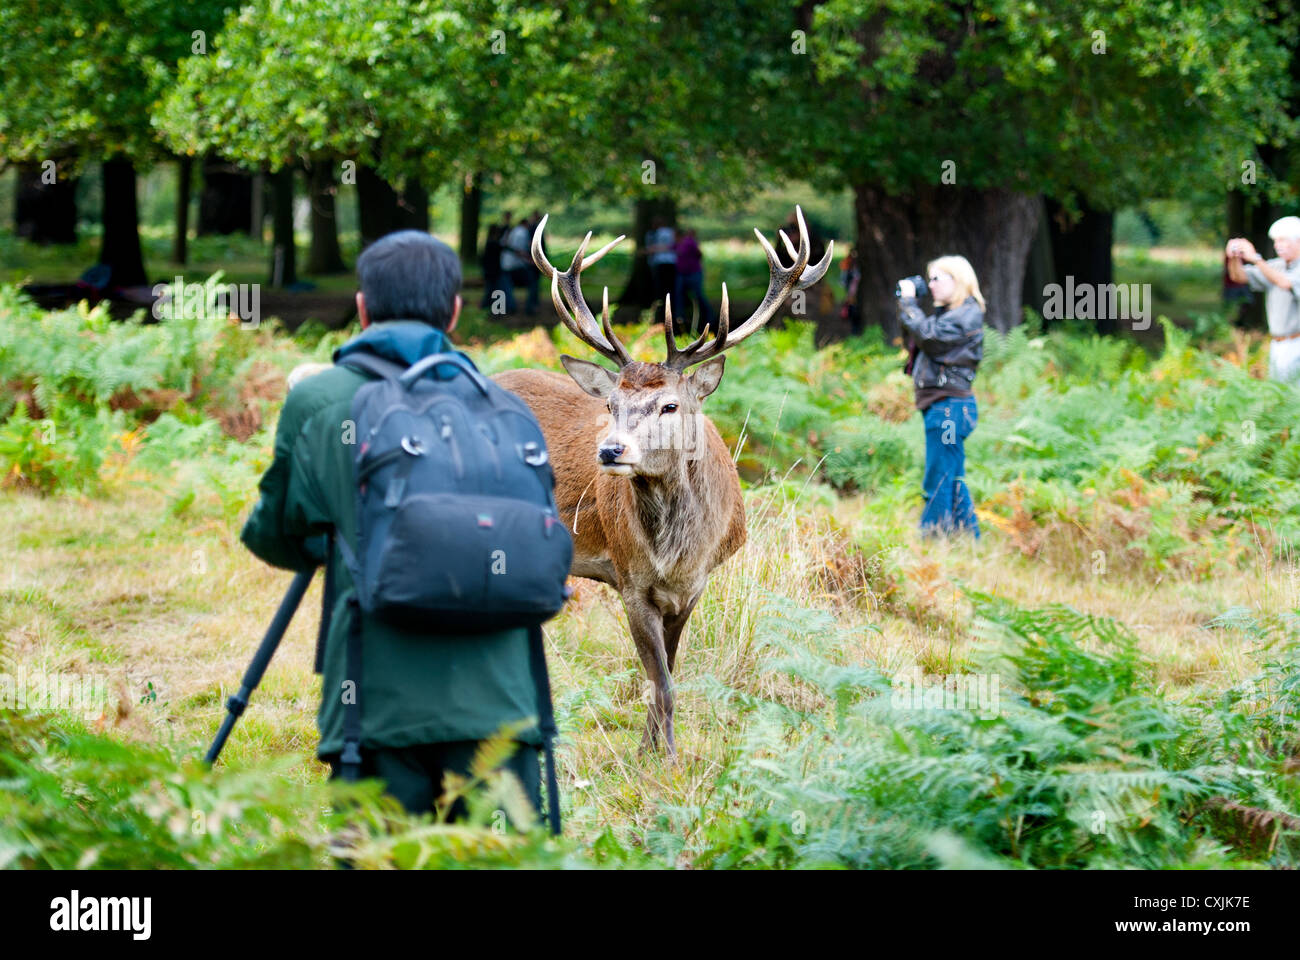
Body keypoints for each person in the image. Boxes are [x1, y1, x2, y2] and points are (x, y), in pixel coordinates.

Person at [241, 230, 545, 822]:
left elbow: (272, 533)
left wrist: (345, 538)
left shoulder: (322, 399)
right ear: (455, 311)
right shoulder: (506, 406)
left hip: (375, 708)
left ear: (361, 307)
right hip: (506, 710)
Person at [897, 255, 984, 539]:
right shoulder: (951, 314)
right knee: (952, 477)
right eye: (929, 279)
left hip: (949, 409)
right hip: (946, 406)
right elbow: (917, 335)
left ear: (958, 281)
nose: (930, 285)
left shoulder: (966, 315)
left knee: (939, 477)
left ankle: (933, 542)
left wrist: (910, 305)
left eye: (936, 278)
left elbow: (931, 339)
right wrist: (907, 308)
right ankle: (969, 541)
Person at [1226, 216, 1300, 383]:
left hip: (1296, 343)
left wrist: (1256, 258)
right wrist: (1234, 257)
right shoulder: (1276, 266)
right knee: (1279, 397)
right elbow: (1239, 276)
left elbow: (1285, 282)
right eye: (1275, 241)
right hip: (1277, 343)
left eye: (1282, 240)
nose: (1277, 245)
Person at [672, 226, 713, 335]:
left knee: (698, 295)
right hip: (682, 274)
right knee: (679, 295)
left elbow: (699, 254)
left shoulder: (689, 242)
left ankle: (709, 317)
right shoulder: (679, 243)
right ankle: (680, 319)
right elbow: (668, 247)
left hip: (693, 273)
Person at [499, 211, 532, 315]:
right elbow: (518, 250)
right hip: (514, 265)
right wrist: (529, 259)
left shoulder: (514, 230)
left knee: (506, 287)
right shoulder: (522, 232)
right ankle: (519, 307)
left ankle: (506, 308)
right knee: (531, 283)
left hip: (506, 264)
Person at [645, 218, 677, 316]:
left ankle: (661, 308)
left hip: (660, 262)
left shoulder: (655, 233)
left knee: (660, 288)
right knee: (670, 287)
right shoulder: (671, 232)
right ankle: (670, 307)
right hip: (672, 262)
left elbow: (653, 247)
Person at [479, 221, 503, 309]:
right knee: (493, 290)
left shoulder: (488, 243)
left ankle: (489, 306)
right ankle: (492, 307)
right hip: (493, 272)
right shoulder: (493, 243)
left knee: (491, 290)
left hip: (489, 271)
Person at [839, 247, 863, 336]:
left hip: (854, 294)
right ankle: (855, 331)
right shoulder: (848, 267)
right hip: (852, 295)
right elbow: (844, 282)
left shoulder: (854, 267)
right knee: (853, 311)